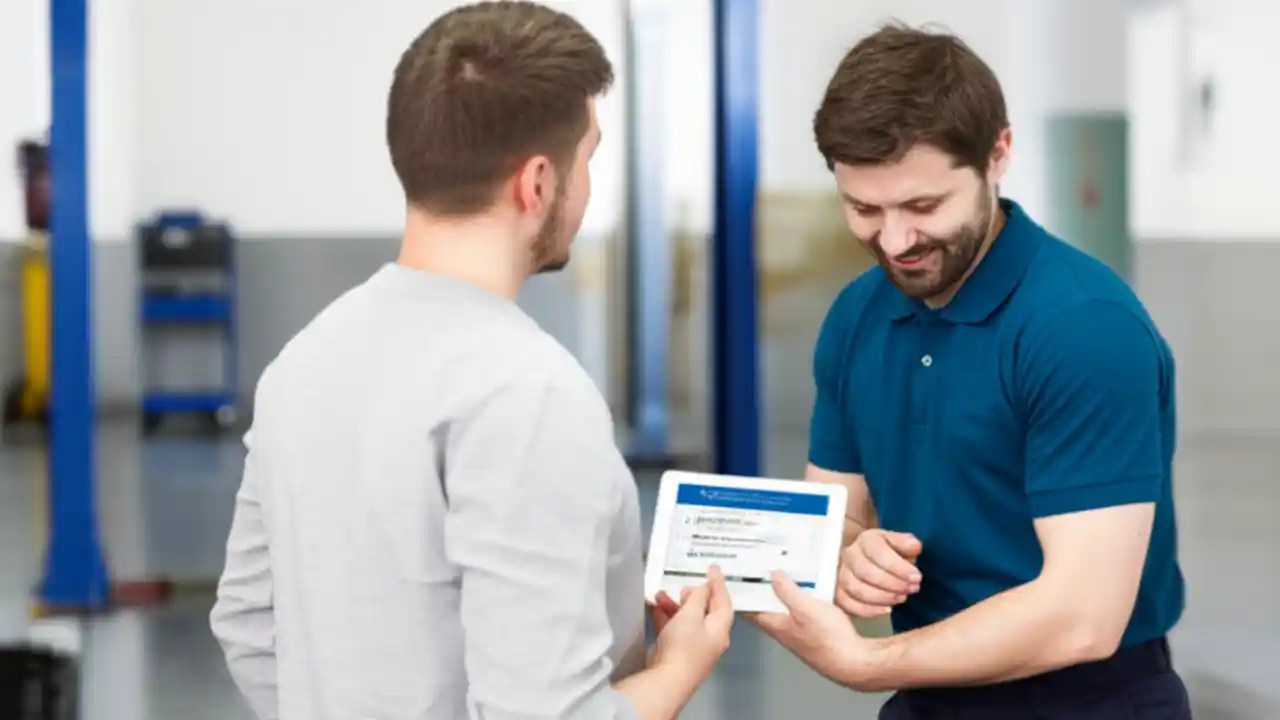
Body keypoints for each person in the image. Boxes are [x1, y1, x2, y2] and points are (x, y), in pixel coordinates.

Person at [209, 3, 732, 719]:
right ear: (538, 183)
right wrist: (679, 665)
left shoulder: (301, 363)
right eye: (590, 158)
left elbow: (246, 625)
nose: (587, 185)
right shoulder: (530, 393)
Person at [750, 23, 1190, 720]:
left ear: (998, 155)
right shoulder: (857, 316)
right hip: (928, 694)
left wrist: (867, 664)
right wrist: (851, 555)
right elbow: (836, 519)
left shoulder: (1083, 328)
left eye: (924, 206)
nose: (894, 241)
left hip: (1089, 703)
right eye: (864, 208)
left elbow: (1084, 616)